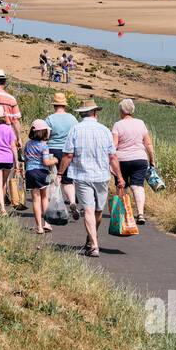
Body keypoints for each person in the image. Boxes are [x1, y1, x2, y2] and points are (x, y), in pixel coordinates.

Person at [57, 100, 120, 258]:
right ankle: (93, 243)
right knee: (97, 210)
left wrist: (59, 173)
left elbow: (68, 155)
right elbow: (112, 156)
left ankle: (92, 241)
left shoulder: (75, 129)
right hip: (102, 175)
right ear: (95, 113)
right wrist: (119, 176)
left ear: (81, 113)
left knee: (90, 211)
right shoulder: (105, 130)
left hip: (82, 174)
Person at [111, 98, 157, 225]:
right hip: (140, 159)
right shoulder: (141, 123)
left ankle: (124, 213)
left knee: (122, 185)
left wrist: (110, 161)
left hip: (122, 160)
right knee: (138, 186)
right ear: (132, 110)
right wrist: (152, 160)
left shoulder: (117, 125)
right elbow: (148, 144)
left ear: (121, 111)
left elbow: (114, 145)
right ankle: (140, 213)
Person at [44, 92, 79, 219]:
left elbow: (45, 136)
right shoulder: (72, 119)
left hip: (53, 150)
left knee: (53, 179)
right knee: (68, 180)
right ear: (64, 105)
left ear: (54, 105)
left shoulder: (49, 119)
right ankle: (72, 201)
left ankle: (55, 205)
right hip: (68, 151)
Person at [24, 119, 56, 233]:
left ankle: (39, 227)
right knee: (44, 198)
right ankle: (47, 223)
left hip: (30, 172)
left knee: (35, 200)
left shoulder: (28, 144)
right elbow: (46, 162)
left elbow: (26, 159)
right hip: (42, 172)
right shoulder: (44, 146)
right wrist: (55, 160)